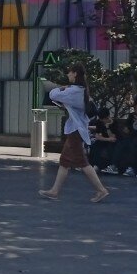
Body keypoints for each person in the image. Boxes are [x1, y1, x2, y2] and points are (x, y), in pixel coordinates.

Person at [38, 63, 109, 203]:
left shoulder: (74, 91)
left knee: (82, 162)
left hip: (75, 130)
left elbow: (53, 94)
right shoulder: (82, 90)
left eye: (69, 72)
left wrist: (63, 88)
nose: (68, 75)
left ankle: (101, 190)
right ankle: (54, 190)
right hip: (76, 129)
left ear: (75, 73)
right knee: (65, 161)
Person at [105, 97, 137, 176]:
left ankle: (132, 168)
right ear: (135, 106)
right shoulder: (131, 115)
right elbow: (127, 127)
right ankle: (114, 166)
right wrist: (125, 129)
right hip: (132, 136)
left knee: (133, 145)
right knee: (121, 144)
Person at [88, 107, 116, 172]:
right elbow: (97, 136)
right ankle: (92, 165)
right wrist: (108, 139)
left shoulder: (114, 123)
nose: (103, 121)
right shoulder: (99, 122)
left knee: (109, 148)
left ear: (108, 117)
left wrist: (107, 126)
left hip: (113, 142)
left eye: (105, 119)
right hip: (104, 140)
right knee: (95, 146)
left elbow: (113, 137)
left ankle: (103, 166)